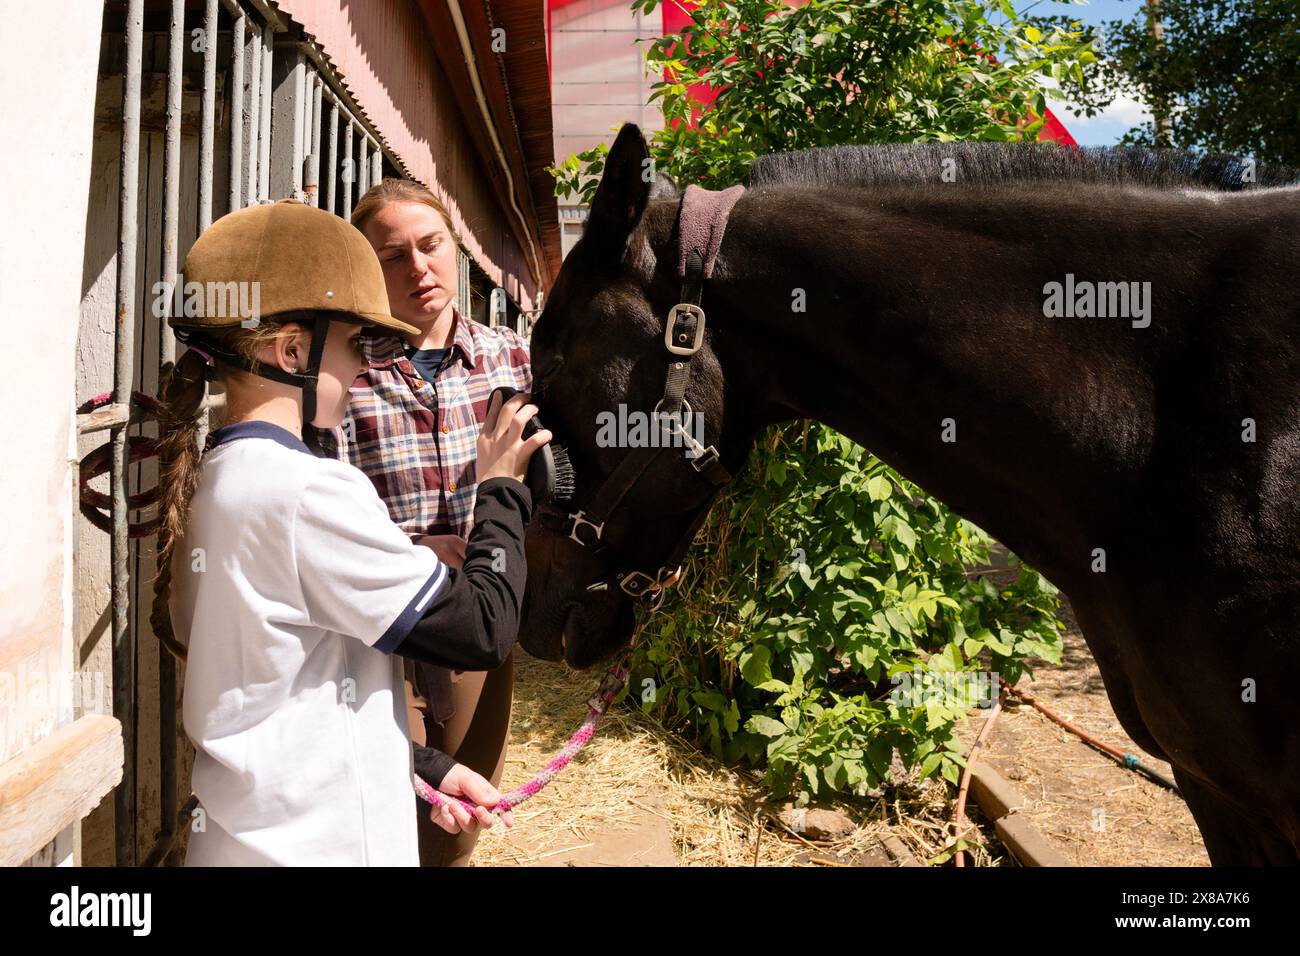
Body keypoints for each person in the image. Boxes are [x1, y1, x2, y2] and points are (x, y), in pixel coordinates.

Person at [151, 198, 549, 865]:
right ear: (291, 351)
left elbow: (295, 697)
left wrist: (418, 763)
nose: (363, 367)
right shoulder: (307, 491)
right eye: (352, 347)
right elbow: (481, 628)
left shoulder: (217, 478)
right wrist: (502, 485)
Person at [315, 179, 531, 866]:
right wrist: (410, 546)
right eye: (393, 256)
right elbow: (319, 511)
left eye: (431, 246)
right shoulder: (345, 375)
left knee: (456, 826)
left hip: (479, 628)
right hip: (379, 638)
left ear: (457, 251)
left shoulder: (514, 359)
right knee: (387, 817)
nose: (419, 269)